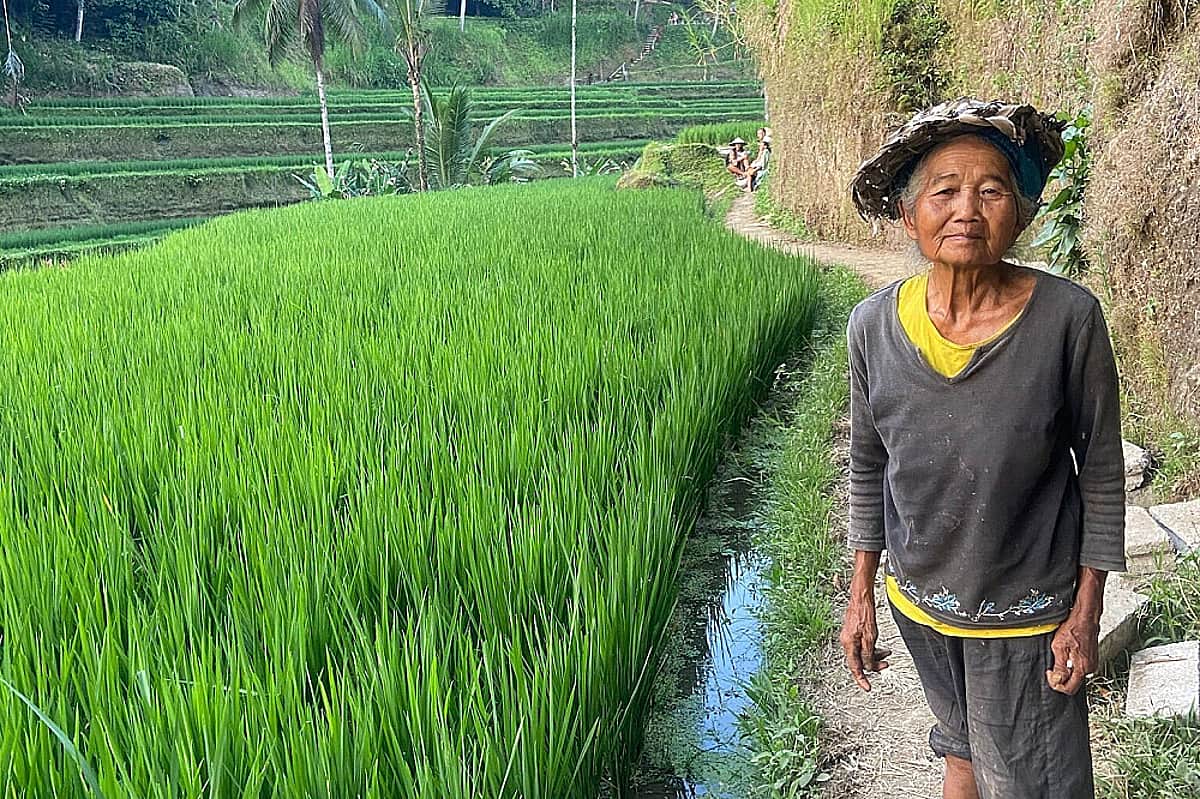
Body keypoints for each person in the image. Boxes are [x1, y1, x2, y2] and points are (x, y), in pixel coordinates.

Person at [842, 97, 1125, 799]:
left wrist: (1087, 609)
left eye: (991, 191)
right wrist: (862, 592)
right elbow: (869, 463)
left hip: (1027, 613)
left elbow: (1100, 470)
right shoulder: (872, 326)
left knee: (1033, 784)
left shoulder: (1068, 319)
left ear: (1020, 215)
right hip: (920, 604)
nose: (966, 209)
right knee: (962, 750)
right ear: (909, 215)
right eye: (944, 191)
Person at [745, 126, 772, 191]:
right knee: (749, 169)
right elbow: (759, 158)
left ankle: (749, 188)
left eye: (760, 133)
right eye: (758, 134)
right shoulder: (764, 152)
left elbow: (763, 164)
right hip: (760, 165)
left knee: (749, 172)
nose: (758, 135)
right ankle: (749, 187)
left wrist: (755, 168)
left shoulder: (766, 152)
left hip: (762, 168)